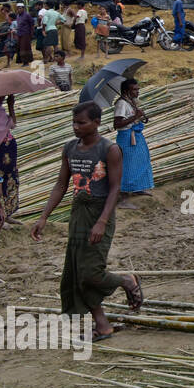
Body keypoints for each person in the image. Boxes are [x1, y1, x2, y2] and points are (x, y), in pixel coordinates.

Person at [31, 101, 143, 339]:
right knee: (76, 271)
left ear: (97, 122)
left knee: (91, 272)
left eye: (81, 123)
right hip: (78, 213)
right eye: (74, 122)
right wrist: (43, 217)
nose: (76, 127)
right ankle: (103, 325)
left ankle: (126, 280)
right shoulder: (70, 148)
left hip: (99, 212)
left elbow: (115, 189)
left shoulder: (109, 150)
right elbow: (61, 185)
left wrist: (102, 221)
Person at [113, 78, 154, 204]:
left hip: (136, 135)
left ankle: (137, 188)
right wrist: (135, 117)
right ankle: (123, 196)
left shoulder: (130, 101)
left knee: (141, 160)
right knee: (127, 164)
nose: (138, 92)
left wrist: (138, 116)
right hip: (126, 137)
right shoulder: (121, 104)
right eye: (134, 89)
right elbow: (117, 124)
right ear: (126, 91)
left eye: (138, 89)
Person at [0, 93, 18, 224]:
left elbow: (13, 125)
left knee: (11, 181)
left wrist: (10, 105)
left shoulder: (0, 109)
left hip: (9, 152)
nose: (2, 96)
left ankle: (8, 213)